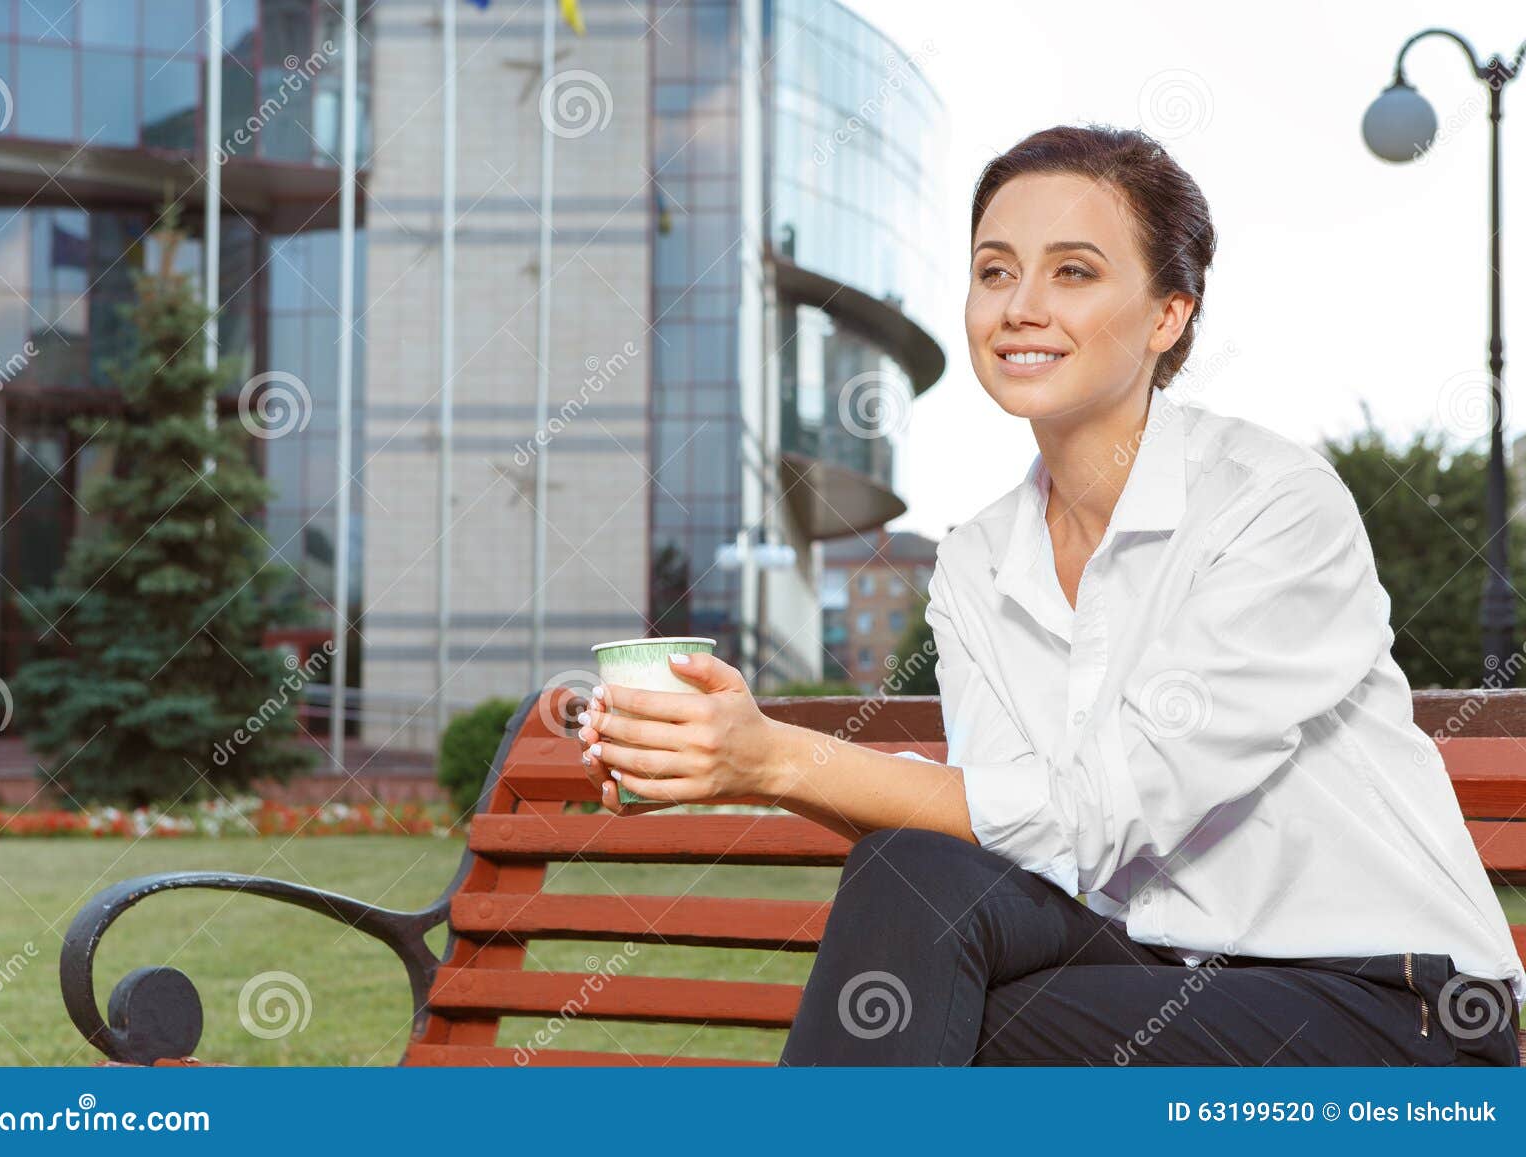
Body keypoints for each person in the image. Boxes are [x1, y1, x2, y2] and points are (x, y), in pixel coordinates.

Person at [574, 124, 1525, 1066]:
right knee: (915, 879)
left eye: (1073, 272)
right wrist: (726, 757)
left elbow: (1097, 816)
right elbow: (1004, 835)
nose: (1021, 306)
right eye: (995, 271)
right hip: (1160, 979)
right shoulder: (978, 561)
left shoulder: (1271, 504)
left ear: (1168, 316)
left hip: (1390, 1006)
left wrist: (776, 759)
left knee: (930, 1022)